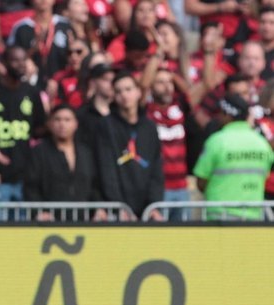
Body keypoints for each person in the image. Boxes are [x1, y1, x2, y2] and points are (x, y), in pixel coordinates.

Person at [0, 46, 47, 219]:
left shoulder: (32, 92)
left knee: (22, 234)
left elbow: (41, 128)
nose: (21, 64)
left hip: (25, 177)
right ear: (3, 63)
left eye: (24, 60)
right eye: (15, 60)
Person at [94, 72, 164, 221]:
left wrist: (153, 205)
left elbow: (156, 168)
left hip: (147, 208)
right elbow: (106, 169)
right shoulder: (105, 125)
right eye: (119, 91)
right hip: (118, 210)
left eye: (128, 89)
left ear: (139, 92)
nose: (124, 95)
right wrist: (119, 205)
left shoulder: (149, 127)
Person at [193, 94, 274, 220]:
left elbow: (201, 182)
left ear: (227, 115)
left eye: (220, 113)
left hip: (220, 216)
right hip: (253, 216)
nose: (218, 117)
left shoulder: (216, 141)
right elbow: (265, 175)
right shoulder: (262, 143)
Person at [24, 104, 101, 221]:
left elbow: (94, 185)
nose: (62, 124)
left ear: (76, 124)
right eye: (57, 119)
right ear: (49, 124)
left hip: (84, 220)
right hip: (49, 221)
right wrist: (39, 212)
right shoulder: (39, 152)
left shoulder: (86, 153)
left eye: (67, 120)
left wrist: (98, 208)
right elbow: (30, 186)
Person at [144, 69, 191, 220]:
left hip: (182, 188)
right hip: (159, 189)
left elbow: (192, 91)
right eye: (160, 82)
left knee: (183, 241)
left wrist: (174, 75)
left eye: (169, 82)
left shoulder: (180, 110)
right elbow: (142, 86)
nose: (167, 86)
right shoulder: (147, 113)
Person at [7, 0, 75, 88]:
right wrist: (32, 50)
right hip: (31, 86)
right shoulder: (21, 28)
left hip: (62, 85)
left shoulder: (65, 25)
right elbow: (10, 60)